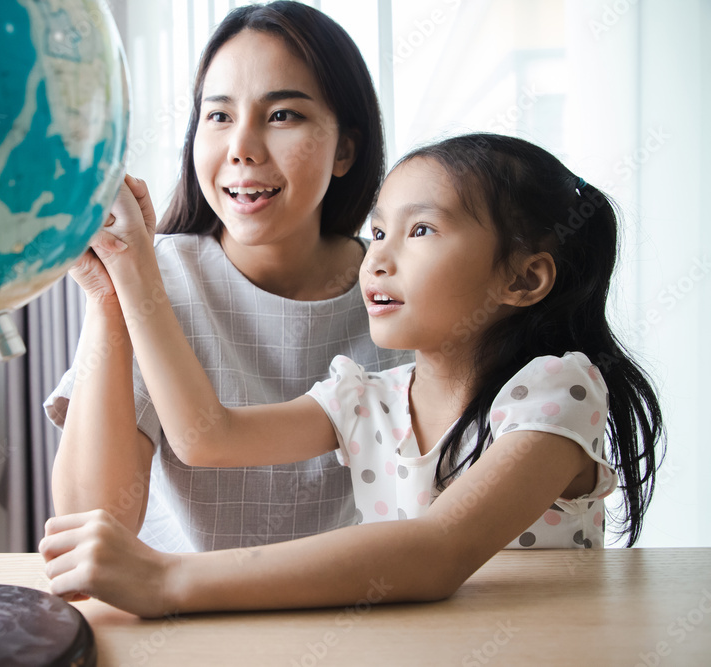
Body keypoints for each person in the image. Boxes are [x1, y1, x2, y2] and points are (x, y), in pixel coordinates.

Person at [39, 133, 665, 617]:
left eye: (420, 230)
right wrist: (129, 266)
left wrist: (167, 578)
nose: (379, 259)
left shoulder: (557, 393)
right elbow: (207, 436)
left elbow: (437, 552)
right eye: (378, 231)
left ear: (523, 279)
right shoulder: (368, 398)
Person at [45, 1, 409, 552]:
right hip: (187, 615)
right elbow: (92, 522)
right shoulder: (153, 273)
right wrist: (112, 296)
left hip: (357, 611)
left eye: (282, 115)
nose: (241, 148)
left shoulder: (397, 285)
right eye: (219, 116)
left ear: (346, 149)